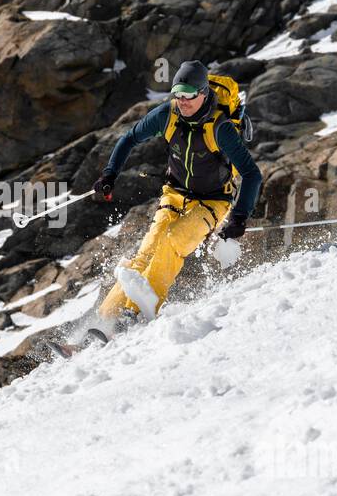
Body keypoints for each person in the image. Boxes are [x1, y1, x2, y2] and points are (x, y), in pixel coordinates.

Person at [93, 60, 262, 322]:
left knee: (173, 241)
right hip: (175, 194)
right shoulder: (167, 114)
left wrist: (239, 218)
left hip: (213, 201)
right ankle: (106, 323)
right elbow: (129, 138)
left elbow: (252, 174)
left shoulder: (221, 128)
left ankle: (138, 312)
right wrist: (109, 174)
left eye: (189, 95)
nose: (182, 101)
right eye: (178, 94)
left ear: (204, 93)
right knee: (146, 252)